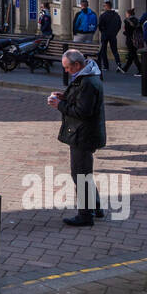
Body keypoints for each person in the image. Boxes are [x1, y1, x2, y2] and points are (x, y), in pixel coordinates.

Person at [47, 49, 106, 226]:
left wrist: (60, 105)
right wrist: (66, 96)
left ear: (77, 65)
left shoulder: (87, 81)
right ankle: (95, 207)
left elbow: (83, 111)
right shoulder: (86, 77)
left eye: (67, 68)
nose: (66, 71)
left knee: (80, 174)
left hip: (84, 133)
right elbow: (82, 101)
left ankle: (85, 215)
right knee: (84, 173)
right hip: (85, 132)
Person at [97, 1, 121, 72]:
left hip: (105, 35)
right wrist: (115, 32)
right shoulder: (116, 15)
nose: (104, 7)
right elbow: (119, 25)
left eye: (104, 6)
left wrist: (103, 31)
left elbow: (100, 25)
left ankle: (106, 66)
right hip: (113, 35)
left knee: (103, 50)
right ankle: (118, 64)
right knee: (115, 50)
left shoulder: (103, 15)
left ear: (107, 6)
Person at [120, 8, 142, 74]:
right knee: (131, 54)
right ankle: (125, 69)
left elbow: (127, 32)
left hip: (130, 40)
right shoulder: (137, 21)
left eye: (126, 14)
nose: (125, 15)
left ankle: (141, 69)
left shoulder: (127, 21)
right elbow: (140, 30)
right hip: (136, 40)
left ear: (128, 14)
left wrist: (124, 33)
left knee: (134, 55)